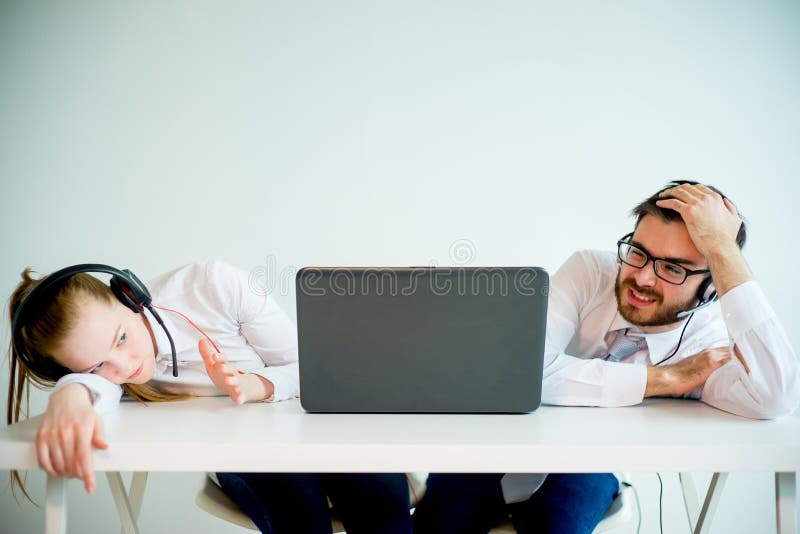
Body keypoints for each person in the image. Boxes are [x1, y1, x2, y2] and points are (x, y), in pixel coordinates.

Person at [412, 181, 800, 534]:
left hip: (590, 467)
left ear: (711, 288)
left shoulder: (709, 340)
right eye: (638, 253)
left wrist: (722, 249)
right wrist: (662, 379)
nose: (643, 278)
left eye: (672, 269)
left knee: (559, 522)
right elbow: (522, 374)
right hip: (498, 450)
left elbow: (775, 397)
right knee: (438, 521)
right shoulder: (590, 271)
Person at [7, 259, 412, 534]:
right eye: (94, 367)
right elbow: (99, 389)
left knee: (378, 494)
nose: (122, 367)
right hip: (250, 455)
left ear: (129, 297)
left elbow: (309, 369)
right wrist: (70, 393)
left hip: (311, 428)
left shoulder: (212, 286)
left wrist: (257, 385)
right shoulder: (104, 374)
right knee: (297, 513)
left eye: (122, 339)